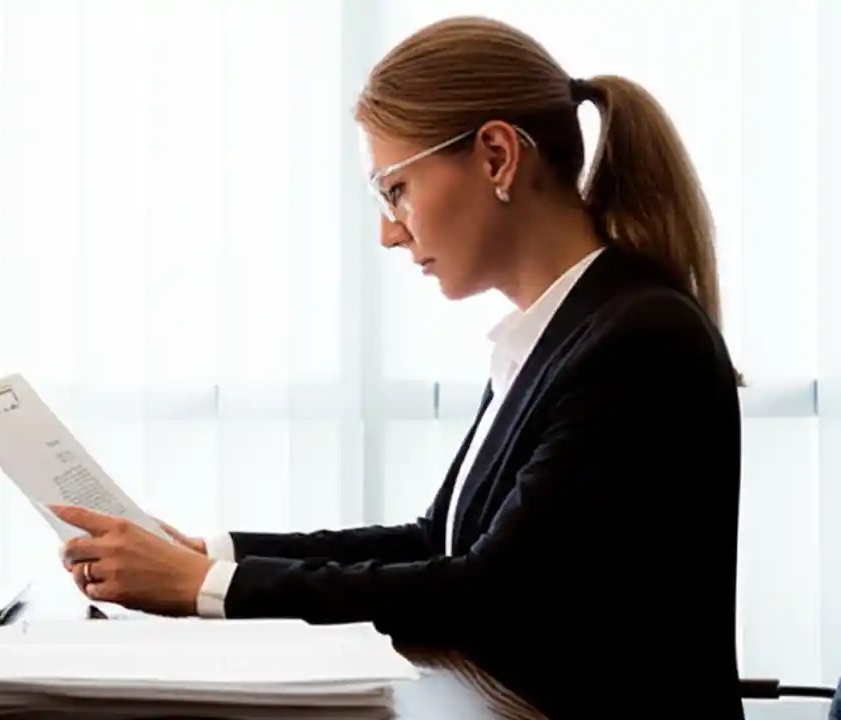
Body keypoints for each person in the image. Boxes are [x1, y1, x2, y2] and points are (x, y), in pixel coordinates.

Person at [51, 15, 744, 719]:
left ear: (498, 156)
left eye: (395, 188)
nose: (389, 230)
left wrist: (206, 585)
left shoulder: (639, 339)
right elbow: (433, 542)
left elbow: (485, 596)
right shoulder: (560, 332)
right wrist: (207, 554)